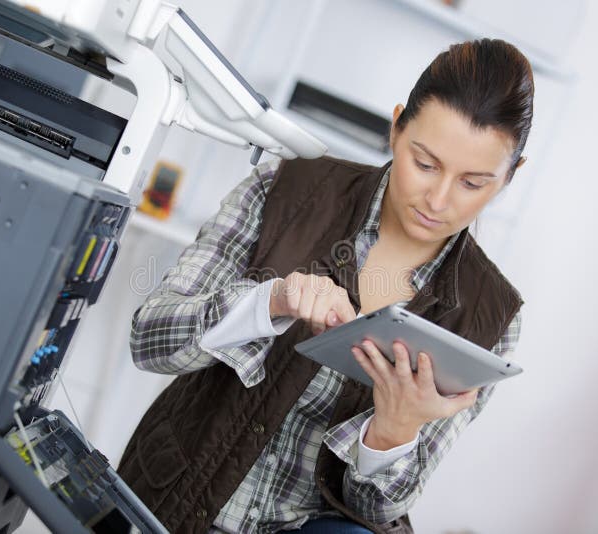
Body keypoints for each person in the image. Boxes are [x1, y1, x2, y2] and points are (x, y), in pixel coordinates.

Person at [117, 38, 533, 534]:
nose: (439, 200)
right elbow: (150, 342)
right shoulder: (286, 189)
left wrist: (394, 432)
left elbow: (375, 511)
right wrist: (268, 302)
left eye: (473, 183)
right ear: (397, 127)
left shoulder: (491, 318)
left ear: (510, 177)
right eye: (425, 163)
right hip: (168, 509)